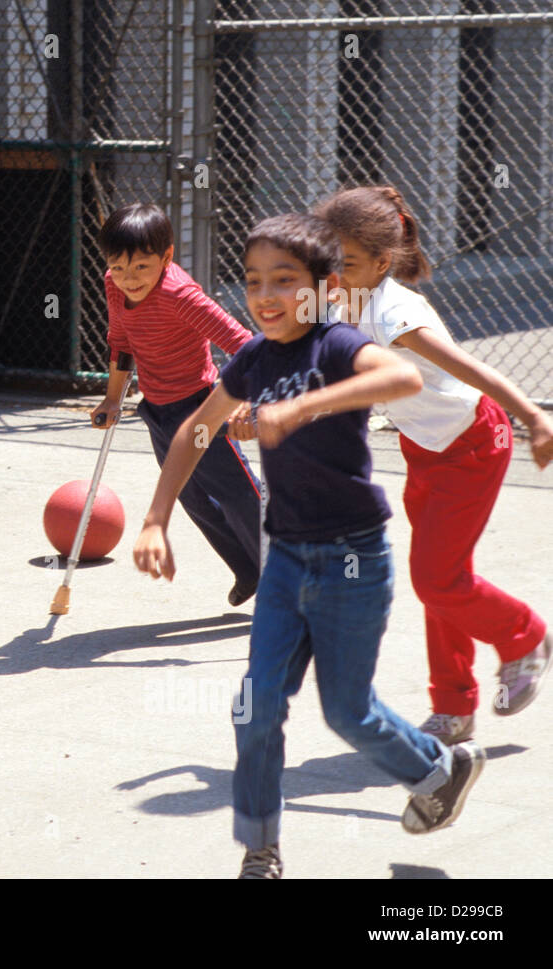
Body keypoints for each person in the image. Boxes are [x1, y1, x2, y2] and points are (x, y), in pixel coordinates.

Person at [133, 213, 484, 878]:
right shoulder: (254, 359)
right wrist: (156, 517)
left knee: (347, 711)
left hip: (353, 558)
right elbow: (193, 431)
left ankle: (439, 768)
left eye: (284, 280)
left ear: (324, 287)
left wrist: (304, 408)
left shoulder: (338, 344)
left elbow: (402, 379)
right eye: (253, 280)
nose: (264, 295)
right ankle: (260, 850)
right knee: (256, 703)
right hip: (287, 559)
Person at [313, 185, 553, 745]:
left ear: (380, 261)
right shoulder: (337, 295)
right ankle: (454, 708)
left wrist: (534, 418)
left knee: (437, 580)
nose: (334, 273)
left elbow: (477, 371)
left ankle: (525, 637)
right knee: (442, 580)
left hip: (471, 446)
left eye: (346, 263)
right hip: (424, 447)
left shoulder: (396, 313)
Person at [89, 203, 262, 606]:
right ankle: (248, 569)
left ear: (166, 258)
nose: (129, 280)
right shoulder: (114, 285)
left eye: (141, 268)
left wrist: (245, 400)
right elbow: (122, 342)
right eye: (118, 268)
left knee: (240, 495)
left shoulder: (180, 296)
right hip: (158, 409)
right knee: (192, 497)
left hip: (202, 409)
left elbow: (246, 346)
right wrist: (113, 397)